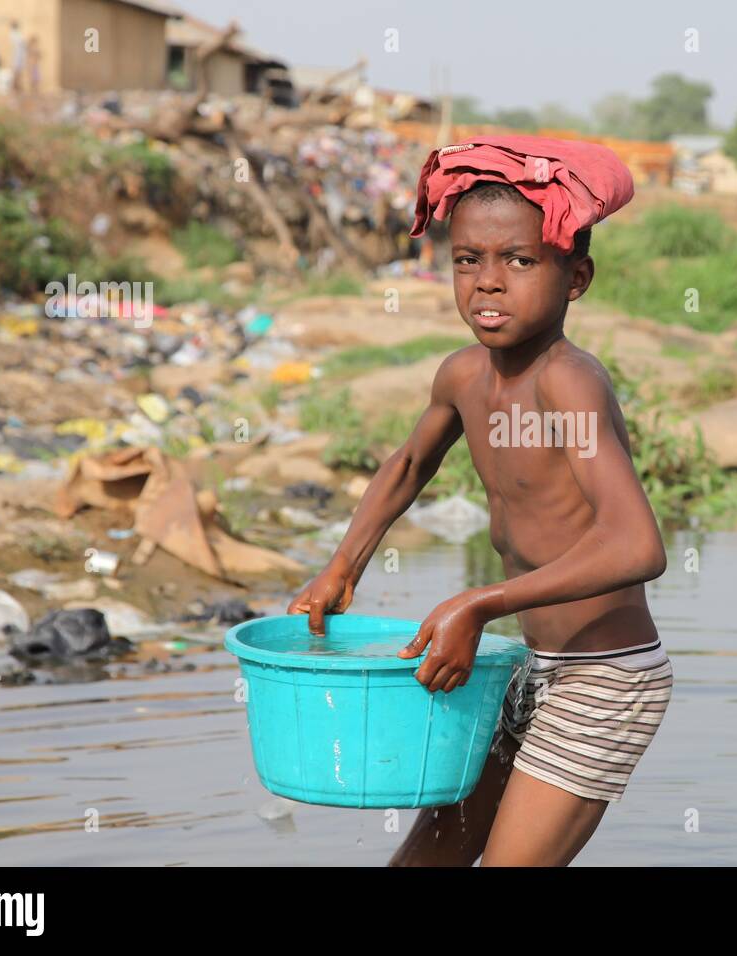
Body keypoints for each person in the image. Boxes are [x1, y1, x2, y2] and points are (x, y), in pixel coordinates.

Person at [287, 136, 672, 867]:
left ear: (576, 277)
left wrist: (480, 604)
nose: (488, 283)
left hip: (606, 677)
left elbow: (636, 546)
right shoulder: (463, 376)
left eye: (520, 262)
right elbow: (407, 465)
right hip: (535, 670)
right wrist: (342, 566)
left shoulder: (569, 381)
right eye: (469, 260)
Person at [9, 21, 27, 93]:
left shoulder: (16, 34)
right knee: (16, 72)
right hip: (17, 56)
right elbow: (21, 43)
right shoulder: (14, 34)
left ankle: (17, 87)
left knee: (18, 72)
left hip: (20, 56)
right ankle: (15, 87)